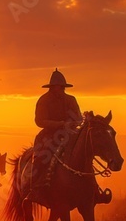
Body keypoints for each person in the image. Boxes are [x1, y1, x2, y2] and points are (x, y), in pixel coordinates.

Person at [32, 68, 111, 204]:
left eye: (62, 87)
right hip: (49, 136)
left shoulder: (71, 99)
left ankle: (94, 190)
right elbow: (40, 121)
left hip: (69, 134)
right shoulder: (44, 100)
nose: (60, 89)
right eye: (58, 86)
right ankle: (35, 188)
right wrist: (61, 124)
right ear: (52, 87)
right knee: (41, 157)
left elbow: (78, 116)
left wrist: (79, 122)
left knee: (85, 156)